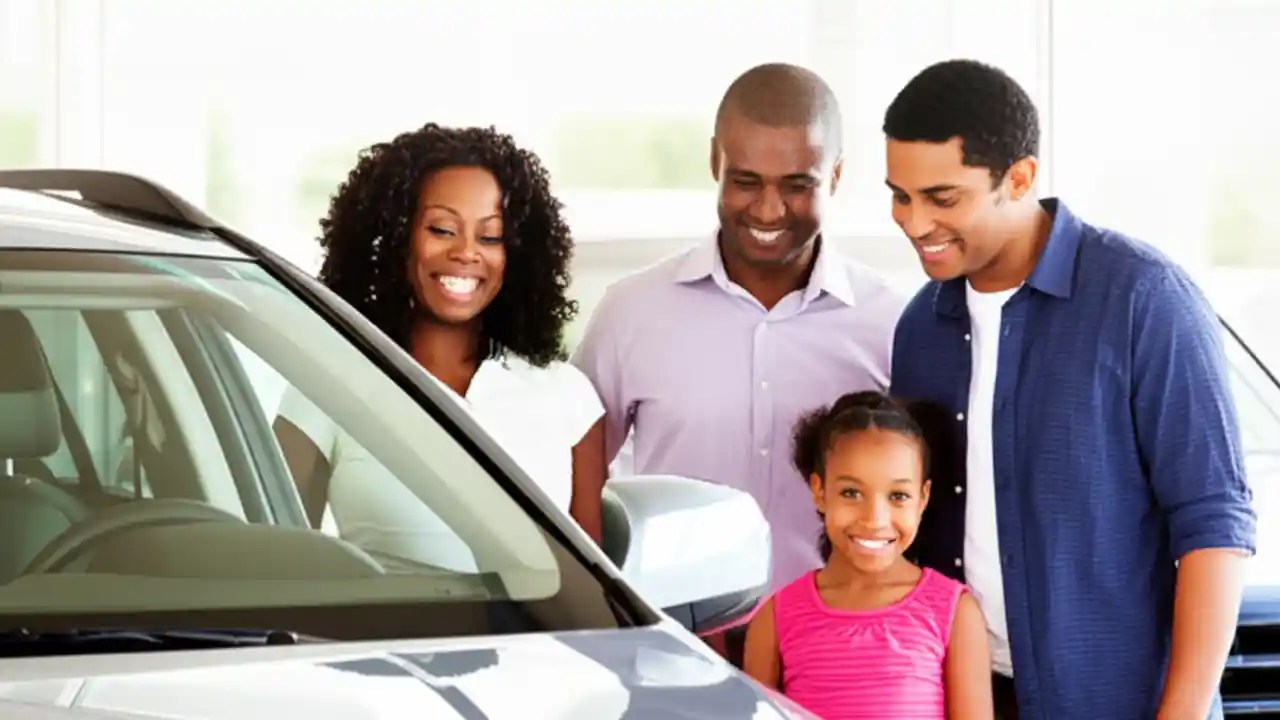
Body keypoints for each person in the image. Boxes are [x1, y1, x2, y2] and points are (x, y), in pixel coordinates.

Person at [884, 59, 1256, 719]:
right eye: (900, 195)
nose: (914, 223)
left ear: (1019, 178)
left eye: (942, 199)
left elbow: (1214, 527)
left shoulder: (1144, 299)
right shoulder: (921, 327)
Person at [572, 62, 906, 663]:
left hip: (842, 656)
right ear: (713, 163)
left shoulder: (890, 322)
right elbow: (572, 486)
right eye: (746, 180)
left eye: (798, 184)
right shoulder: (631, 313)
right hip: (672, 650)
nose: (769, 210)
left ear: (836, 174)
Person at [273, 123, 608, 560]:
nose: (467, 253)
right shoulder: (328, 385)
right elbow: (275, 563)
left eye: (490, 236)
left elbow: (597, 596)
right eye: (442, 230)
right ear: (397, 237)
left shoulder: (568, 396)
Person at [742, 391, 992, 718]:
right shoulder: (774, 619)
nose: (874, 519)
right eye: (851, 492)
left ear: (923, 498)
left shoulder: (953, 613)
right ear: (819, 491)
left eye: (898, 495)